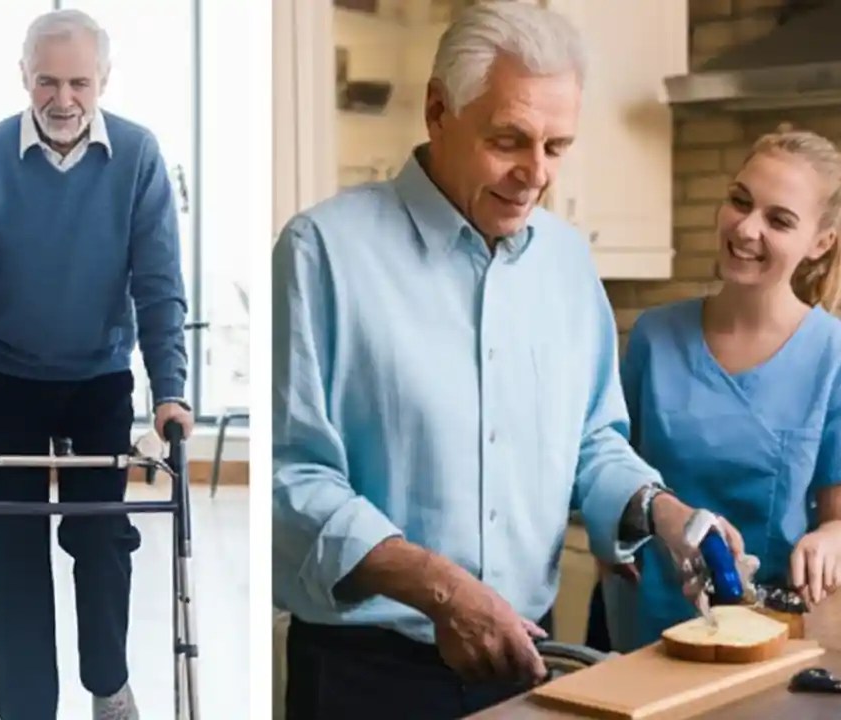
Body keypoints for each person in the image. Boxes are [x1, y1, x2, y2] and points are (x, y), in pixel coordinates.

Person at [271, 4, 740, 718]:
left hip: (523, 664)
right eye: (508, 140)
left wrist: (663, 512)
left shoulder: (567, 262)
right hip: (366, 676)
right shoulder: (323, 253)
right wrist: (443, 591)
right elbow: (290, 477)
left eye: (557, 146)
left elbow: (591, 442)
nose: (536, 174)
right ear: (437, 110)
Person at [0, 10, 192, 720]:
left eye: (78, 83)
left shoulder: (137, 154)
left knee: (99, 538)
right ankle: (27, 711)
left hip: (97, 378)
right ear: (23, 77)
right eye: (47, 81)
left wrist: (171, 391)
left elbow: (158, 283)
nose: (63, 99)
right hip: (4, 378)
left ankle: (107, 681)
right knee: (13, 550)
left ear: (103, 79)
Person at [594, 125, 841, 653]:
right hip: (649, 628)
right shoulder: (654, 337)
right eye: (740, 201)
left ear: (820, 242)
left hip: (767, 633)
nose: (746, 227)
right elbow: (612, 470)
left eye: (779, 220)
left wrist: (830, 542)